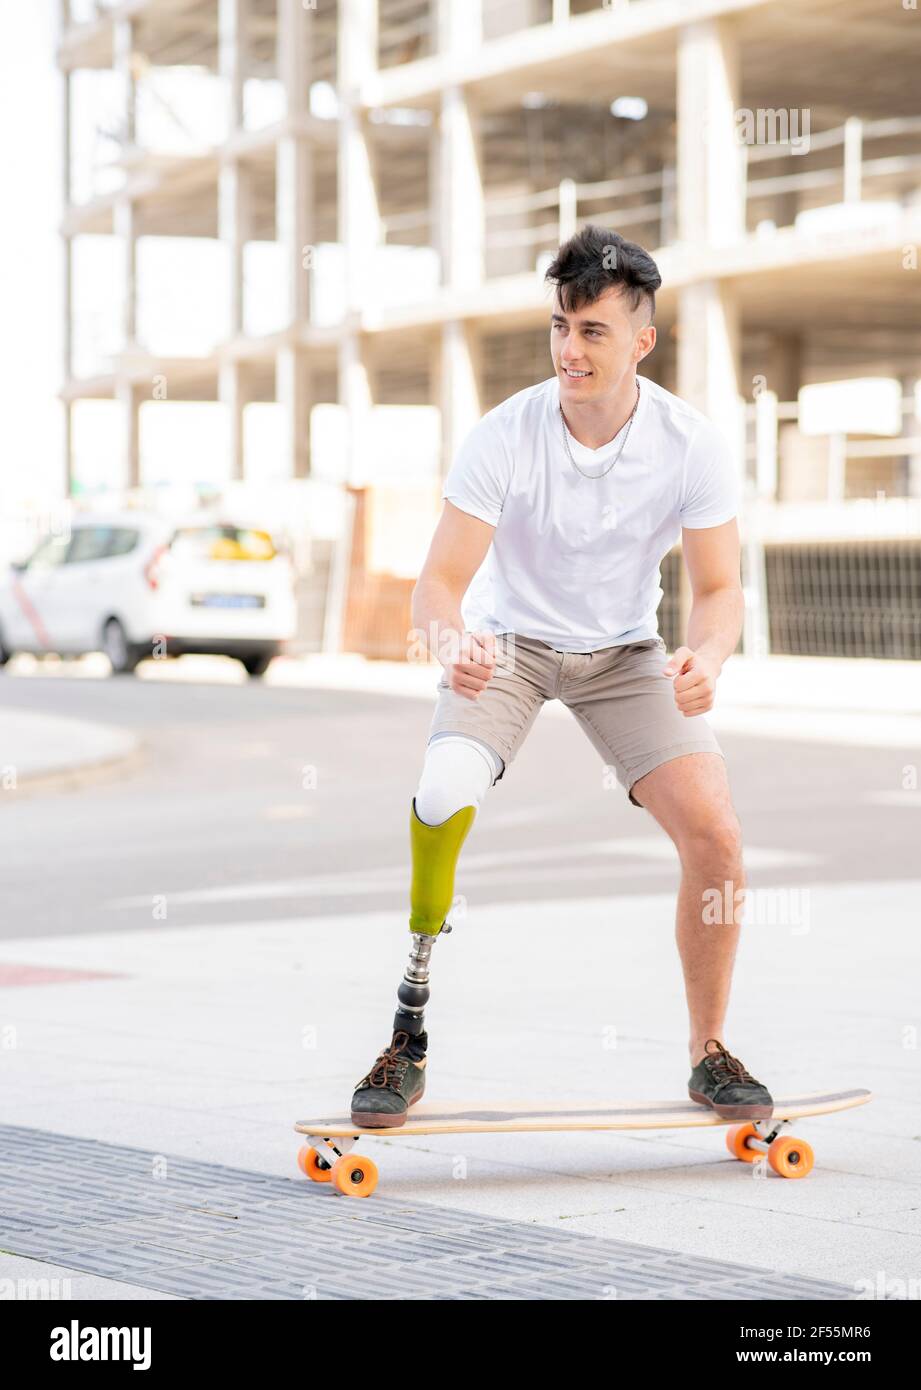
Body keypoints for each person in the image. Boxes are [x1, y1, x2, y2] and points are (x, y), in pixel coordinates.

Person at [350, 224, 773, 1128]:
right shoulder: (505, 435)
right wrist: (445, 638)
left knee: (718, 836)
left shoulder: (689, 443)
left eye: (592, 333)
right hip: (509, 643)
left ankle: (709, 1051)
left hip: (624, 652)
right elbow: (438, 583)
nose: (568, 351)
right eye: (559, 328)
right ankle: (408, 1028)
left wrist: (707, 654)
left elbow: (720, 588)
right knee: (441, 790)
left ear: (641, 340)